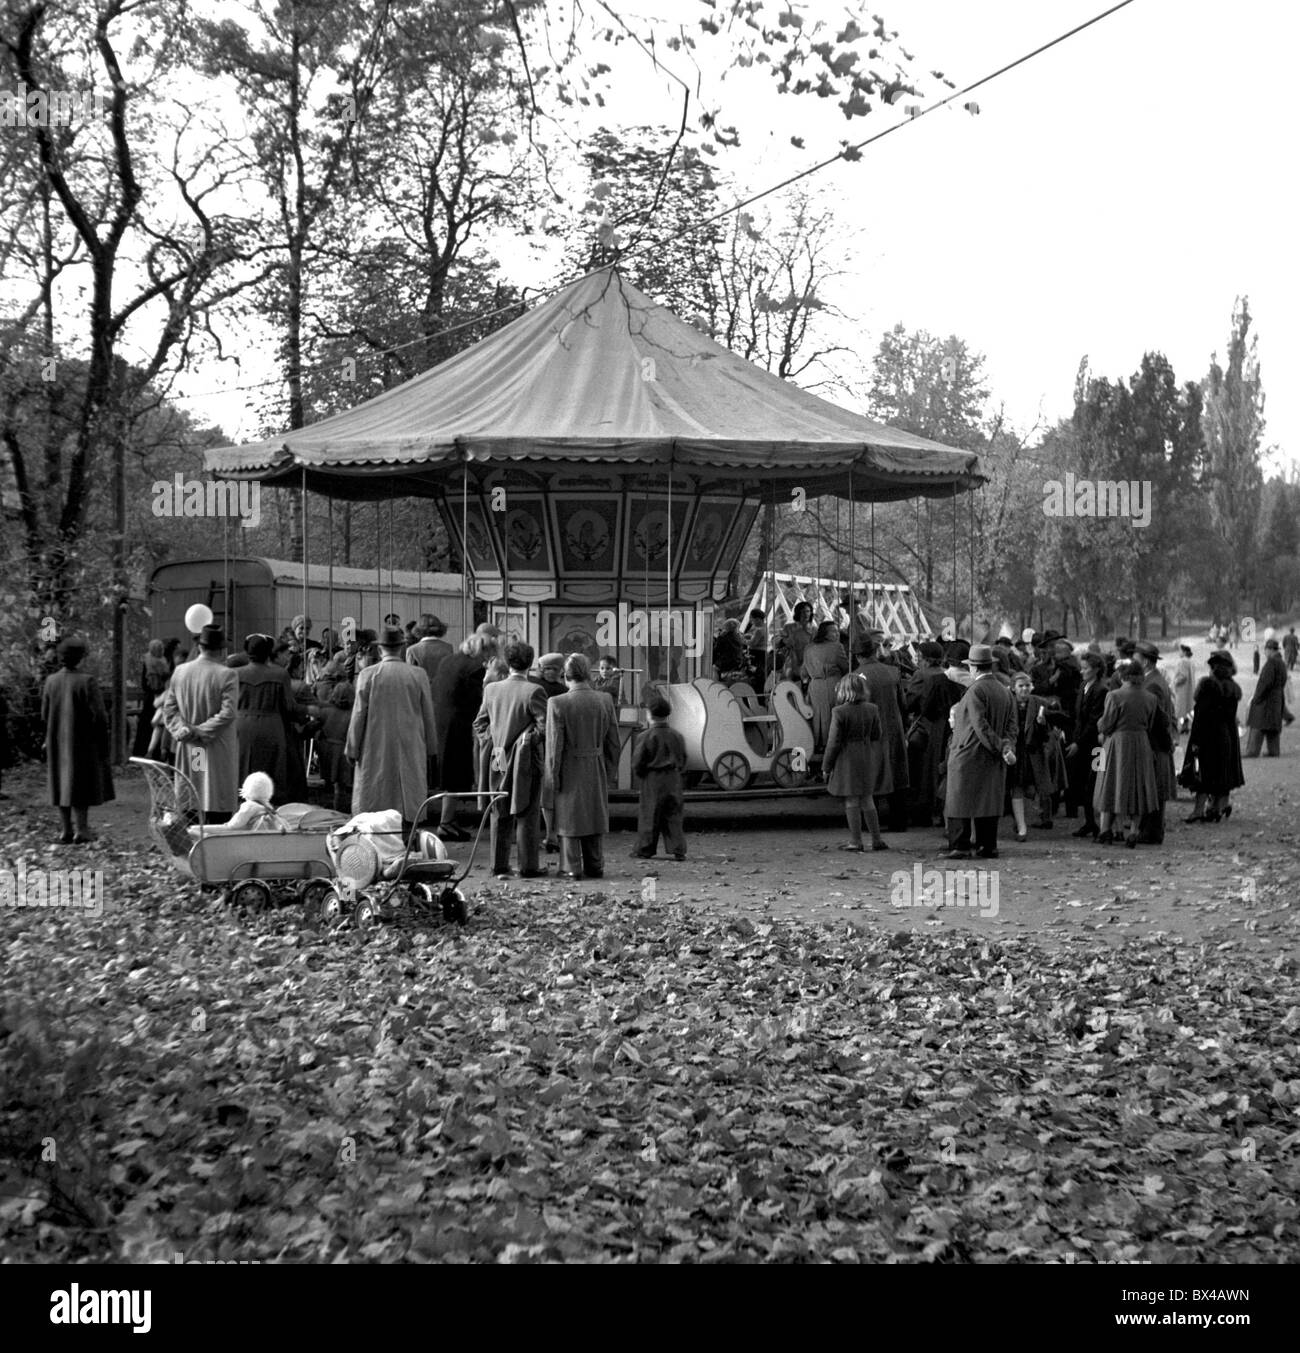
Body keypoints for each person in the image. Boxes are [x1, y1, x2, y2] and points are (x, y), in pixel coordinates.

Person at [346, 625, 438, 828]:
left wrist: (352, 749)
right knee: (408, 793)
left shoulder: (368, 675)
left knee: (375, 792)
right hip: (411, 743)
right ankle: (407, 841)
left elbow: (358, 715)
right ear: (403, 647)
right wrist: (431, 748)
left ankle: (377, 840)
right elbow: (428, 715)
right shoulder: (418, 674)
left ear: (380, 650)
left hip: (374, 744)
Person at [473, 641, 549, 879]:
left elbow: (479, 724)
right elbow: (545, 727)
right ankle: (528, 866)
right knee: (527, 808)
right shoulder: (534, 691)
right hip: (523, 759)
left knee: (499, 807)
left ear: (507, 662)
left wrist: (493, 740)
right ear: (530, 662)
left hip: (497, 756)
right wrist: (526, 741)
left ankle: (499, 864)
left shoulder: (491, 690)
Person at [545, 653, 620, 880]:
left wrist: (552, 780)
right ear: (589, 674)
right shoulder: (605, 700)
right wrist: (608, 772)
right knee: (593, 815)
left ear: (565, 675)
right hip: (596, 763)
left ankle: (571, 866)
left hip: (569, 765)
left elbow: (554, 748)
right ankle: (595, 864)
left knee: (569, 817)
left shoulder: (557, 703)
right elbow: (614, 743)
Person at [941, 644, 1017, 861]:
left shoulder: (975, 690)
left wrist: (1000, 745)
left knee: (958, 799)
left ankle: (960, 845)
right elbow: (1012, 726)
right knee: (988, 801)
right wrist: (1007, 746)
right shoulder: (1005, 691)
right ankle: (987, 845)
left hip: (968, 752)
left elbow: (979, 724)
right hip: (993, 757)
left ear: (973, 667)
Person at [162, 625, 239, 821]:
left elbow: (169, 710)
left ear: (200, 647)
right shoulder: (226, 674)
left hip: (194, 746)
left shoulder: (180, 671)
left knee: (196, 787)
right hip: (216, 746)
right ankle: (215, 837)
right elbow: (228, 713)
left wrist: (183, 729)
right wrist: (200, 730)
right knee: (216, 792)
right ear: (222, 649)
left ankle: (192, 836)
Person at [41, 637, 115, 844]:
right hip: (82, 741)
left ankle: (65, 830)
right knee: (80, 783)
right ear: (81, 658)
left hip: (57, 739)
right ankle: (81, 829)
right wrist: (102, 741)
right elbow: (99, 715)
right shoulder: (87, 681)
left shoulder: (51, 681)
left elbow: (45, 713)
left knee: (60, 782)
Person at [430, 631, 495, 839]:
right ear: (482, 650)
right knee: (456, 774)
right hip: (459, 725)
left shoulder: (448, 660)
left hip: (440, 722)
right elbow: (478, 701)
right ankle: (446, 822)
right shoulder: (474, 668)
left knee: (448, 772)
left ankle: (448, 821)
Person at [1093, 662, 1162, 847]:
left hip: (1117, 743)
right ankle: (1133, 831)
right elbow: (1150, 722)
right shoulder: (1151, 698)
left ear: (1123, 677)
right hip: (1141, 743)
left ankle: (1105, 830)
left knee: (1110, 785)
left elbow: (1106, 724)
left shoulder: (1114, 695)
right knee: (1138, 786)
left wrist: (1100, 724)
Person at [822, 672, 888, 852]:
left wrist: (826, 766)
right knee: (868, 798)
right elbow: (877, 734)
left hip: (846, 758)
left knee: (851, 800)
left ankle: (856, 840)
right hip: (867, 755)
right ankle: (877, 839)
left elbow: (833, 742)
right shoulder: (872, 709)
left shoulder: (839, 712)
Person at [235, 633, 303, 802]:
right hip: (272, 726)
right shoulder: (280, 675)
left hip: (241, 725)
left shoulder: (235, 674)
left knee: (243, 769)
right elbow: (289, 707)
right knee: (272, 772)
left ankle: (242, 807)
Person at [854, 634, 910, 832]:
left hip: (869, 733)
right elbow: (903, 705)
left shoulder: (855, 678)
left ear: (857, 656)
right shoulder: (893, 672)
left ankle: (870, 824)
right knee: (897, 775)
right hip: (894, 728)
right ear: (876, 652)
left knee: (870, 777)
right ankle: (899, 822)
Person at [1184, 650, 1245, 823]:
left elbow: (1201, 715)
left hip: (1207, 735)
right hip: (1225, 734)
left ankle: (1198, 810)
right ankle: (1217, 808)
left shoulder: (1207, 686)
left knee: (1202, 772)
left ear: (1213, 668)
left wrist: (1195, 740)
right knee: (1220, 771)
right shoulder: (1233, 688)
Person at [903, 640, 956, 828]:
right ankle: (943, 813)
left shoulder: (921, 674)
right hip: (948, 727)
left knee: (924, 772)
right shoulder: (947, 673)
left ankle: (923, 812)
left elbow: (909, 702)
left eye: (918, 656)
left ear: (925, 658)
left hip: (928, 728)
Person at [631, 694, 688, 860]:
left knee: (650, 814)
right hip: (673, 778)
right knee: (674, 815)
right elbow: (683, 758)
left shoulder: (645, 736)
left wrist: (640, 775)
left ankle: (645, 848)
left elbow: (638, 761)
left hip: (653, 778)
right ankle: (678, 849)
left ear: (649, 714)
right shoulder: (677, 736)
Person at [1133, 640, 1176, 844]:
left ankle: (1151, 831)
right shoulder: (1156, 680)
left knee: (1154, 788)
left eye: (1136, 659)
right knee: (1154, 788)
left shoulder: (1152, 684)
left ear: (1146, 662)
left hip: (1155, 743)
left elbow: (1156, 718)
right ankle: (1151, 830)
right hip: (1159, 742)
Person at [1007, 671, 1057, 840]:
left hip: (1033, 751)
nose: (1024, 689)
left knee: (1038, 787)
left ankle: (1043, 817)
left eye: (1027, 686)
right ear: (1013, 688)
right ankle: (1021, 826)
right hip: (1015, 750)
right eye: (1020, 686)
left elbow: (1047, 735)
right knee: (1016, 786)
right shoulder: (1007, 704)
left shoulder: (1039, 703)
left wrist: (1042, 724)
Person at [1065, 651, 1108, 838]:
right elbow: (1078, 718)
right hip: (1081, 742)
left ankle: (1098, 823)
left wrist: (1078, 743)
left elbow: (1093, 722)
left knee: (1094, 783)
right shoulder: (1083, 686)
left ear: (1096, 669)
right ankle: (1089, 822)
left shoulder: (1101, 690)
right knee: (1082, 783)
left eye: (1086, 668)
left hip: (1094, 745)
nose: (1082, 672)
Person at [801, 621, 849, 751]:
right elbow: (845, 667)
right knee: (833, 713)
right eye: (834, 631)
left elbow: (803, 672)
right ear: (826, 634)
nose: (837, 633)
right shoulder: (836, 647)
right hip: (832, 683)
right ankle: (832, 744)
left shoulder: (809, 648)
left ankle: (817, 743)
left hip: (815, 684)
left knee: (817, 714)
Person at [315, 671, 355, 812]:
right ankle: (339, 810)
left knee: (328, 783)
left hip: (326, 749)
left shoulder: (325, 710)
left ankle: (328, 808)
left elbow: (314, 726)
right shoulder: (352, 714)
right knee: (341, 786)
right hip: (343, 750)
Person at [1245, 638, 1287, 757]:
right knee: (1273, 728)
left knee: (1258, 725)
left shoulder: (1271, 663)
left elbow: (1265, 683)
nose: (1265, 653)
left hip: (1266, 702)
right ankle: (1273, 751)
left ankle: (1252, 751)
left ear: (1269, 650)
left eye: (1266, 650)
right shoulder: (1281, 663)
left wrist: (1256, 698)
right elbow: (1283, 681)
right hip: (1276, 699)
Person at [132, 639, 171, 758]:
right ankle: (145, 751)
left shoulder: (163, 661)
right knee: (151, 724)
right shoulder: (148, 661)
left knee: (158, 725)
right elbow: (145, 682)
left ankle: (155, 752)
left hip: (161, 695)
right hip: (152, 697)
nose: (161, 650)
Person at [776, 601, 815, 681]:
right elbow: (778, 644)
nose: (806, 614)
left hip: (809, 663)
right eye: (803, 611)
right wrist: (785, 641)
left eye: (808, 611)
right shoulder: (788, 628)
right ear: (798, 613)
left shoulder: (814, 630)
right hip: (791, 662)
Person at [743, 608, 771, 686]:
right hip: (762, 653)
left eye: (752, 620)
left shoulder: (759, 630)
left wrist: (742, 640)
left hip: (757, 654)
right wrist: (750, 636)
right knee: (760, 673)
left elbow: (753, 643)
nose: (752, 622)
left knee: (754, 673)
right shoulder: (765, 627)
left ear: (758, 619)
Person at [1172, 644, 1195, 732]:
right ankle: (1185, 726)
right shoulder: (1190, 661)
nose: (1179, 653)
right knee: (1187, 708)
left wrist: (1175, 682)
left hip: (1182, 688)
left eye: (1180, 651)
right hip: (1189, 688)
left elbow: (1183, 676)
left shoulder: (1182, 662)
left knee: (1181, 709)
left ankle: (1182, 727)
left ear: (1184, 652)